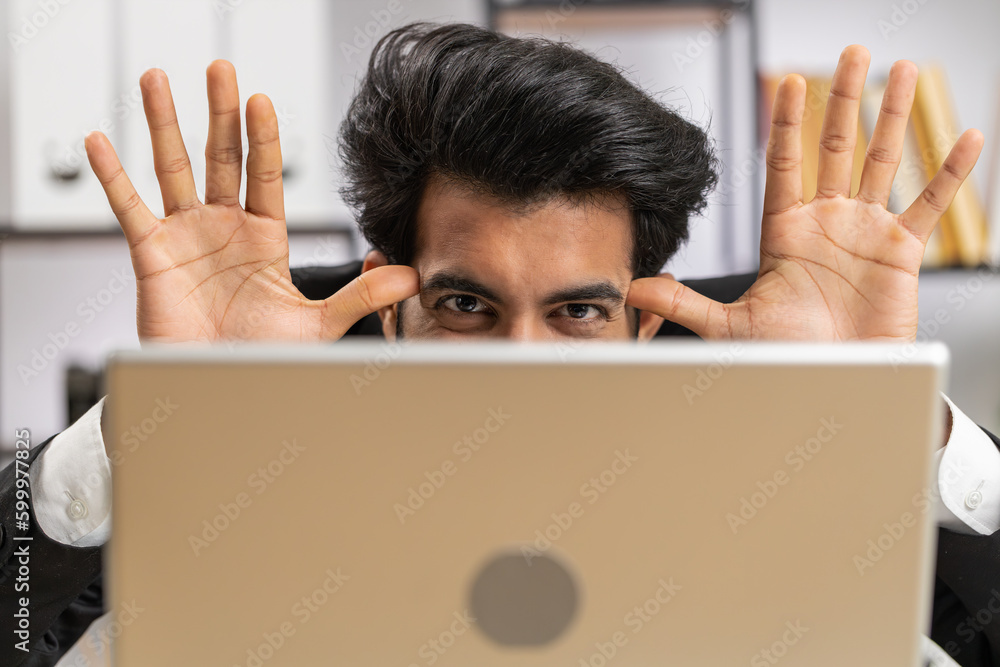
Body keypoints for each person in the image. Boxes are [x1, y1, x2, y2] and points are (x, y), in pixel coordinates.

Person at [1, 22, 997, 666]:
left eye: (575, 312)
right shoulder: (253, 521)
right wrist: (164, 416)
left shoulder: (757, 528)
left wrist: (892, 414)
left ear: (642, 324)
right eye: (469, 305)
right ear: (393, 312)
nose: (521, 366)